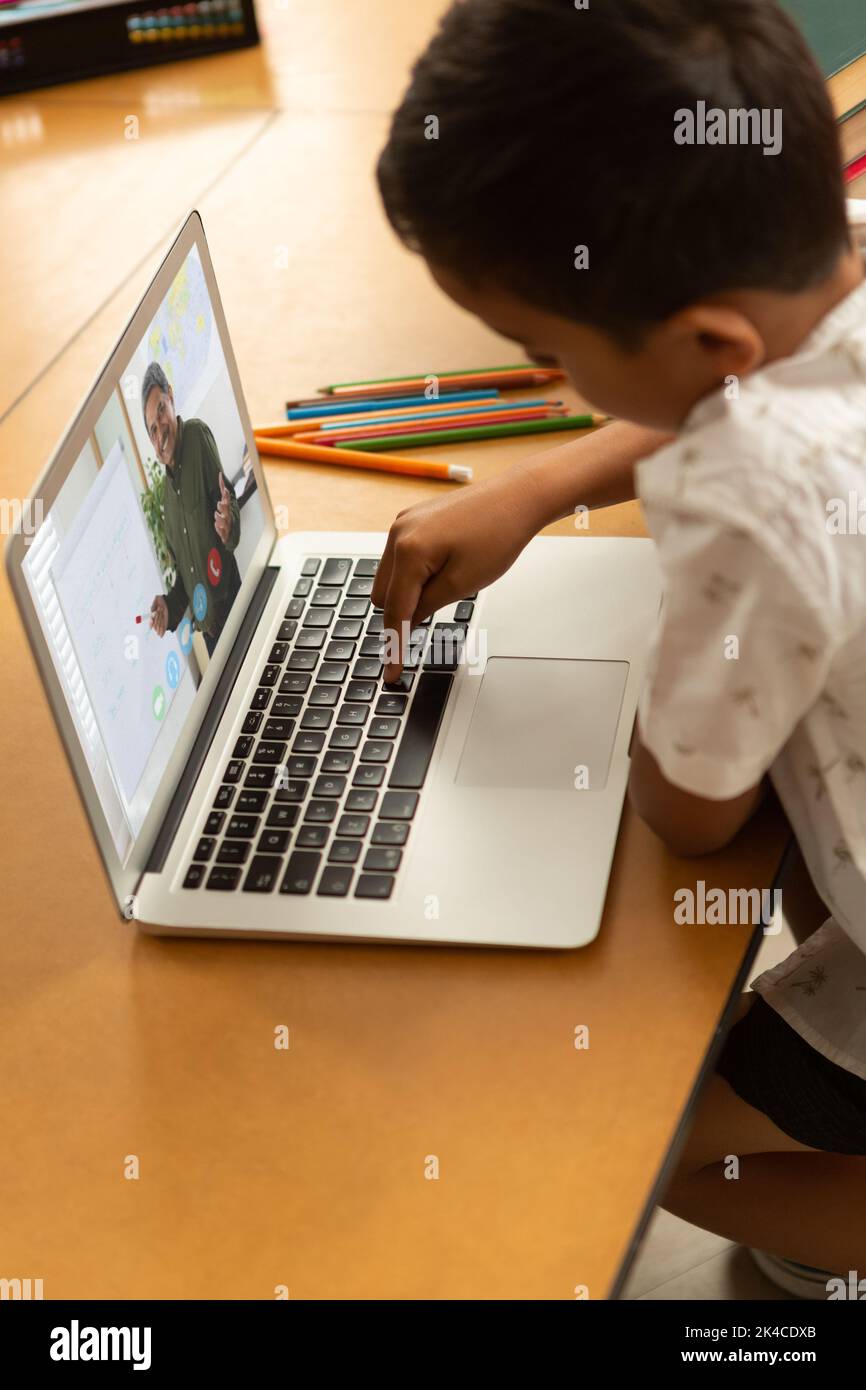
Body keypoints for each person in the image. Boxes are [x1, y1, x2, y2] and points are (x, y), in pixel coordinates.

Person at [371, 0, 866, 1284]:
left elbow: (692, 813)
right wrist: (539, 489)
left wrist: (657, 713)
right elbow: (762, 376)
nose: (553, 380)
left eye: (549, 355)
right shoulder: (835, 264)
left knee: (649, 1152)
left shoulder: (746, 502)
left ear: (705, 340)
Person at [142, 362, 242, 657]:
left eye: (161, 409)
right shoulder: (165, 502)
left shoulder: (197, 436)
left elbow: (229, 504)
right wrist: (168, 608)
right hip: (210, 636)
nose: (159, 429)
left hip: (233, 607)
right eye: (151, 429)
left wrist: (228, 525)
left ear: (171, 398)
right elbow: (186, 582)